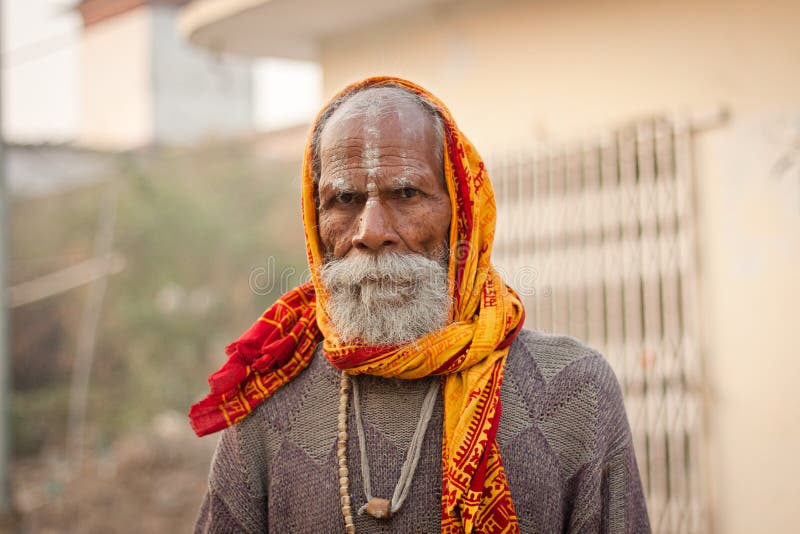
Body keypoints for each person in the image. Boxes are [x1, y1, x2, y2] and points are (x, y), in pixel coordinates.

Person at [190, 76, 651, 533]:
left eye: (407, 193)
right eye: (345, 199)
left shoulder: (574, 390)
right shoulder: (269, 394)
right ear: (316, 223)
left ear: (462, 213)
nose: (371, 231)